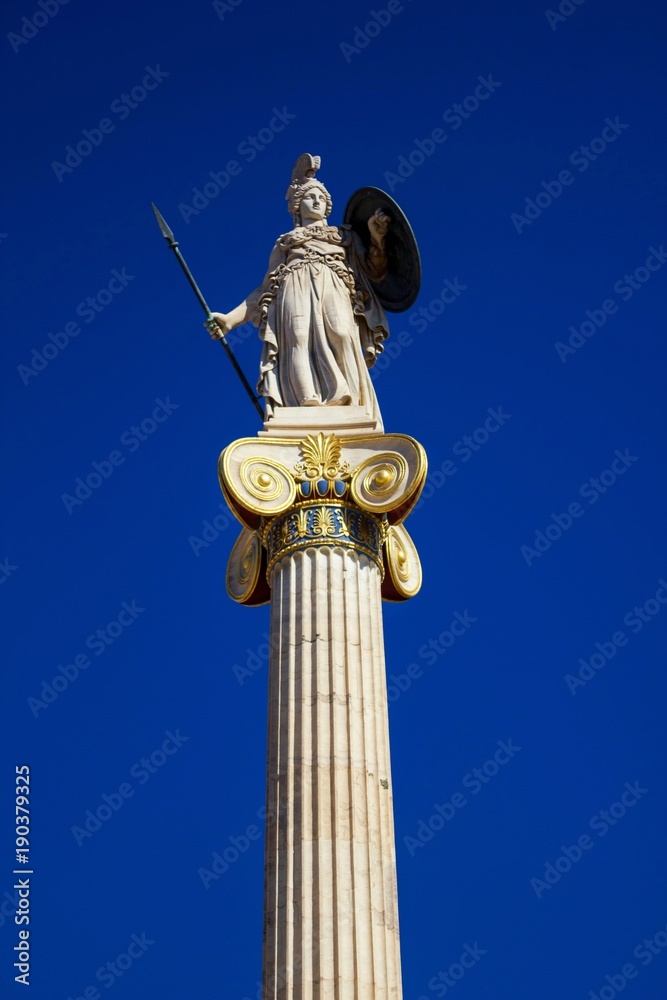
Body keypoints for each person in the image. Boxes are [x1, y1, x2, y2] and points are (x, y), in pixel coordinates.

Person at [206, 154, 391, 428]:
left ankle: (346, 395)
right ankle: (306, 398)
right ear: (296, 206)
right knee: (297, 335)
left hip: (333, 282)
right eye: (309, 196)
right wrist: (230, 319)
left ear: (328, 206)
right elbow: (266, 288)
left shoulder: (345, 237)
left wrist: (377, 239)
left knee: (341, 331)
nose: (316, 201)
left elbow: (375, 270)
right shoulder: (286, 243)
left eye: (320, 197)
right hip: (294, 285)